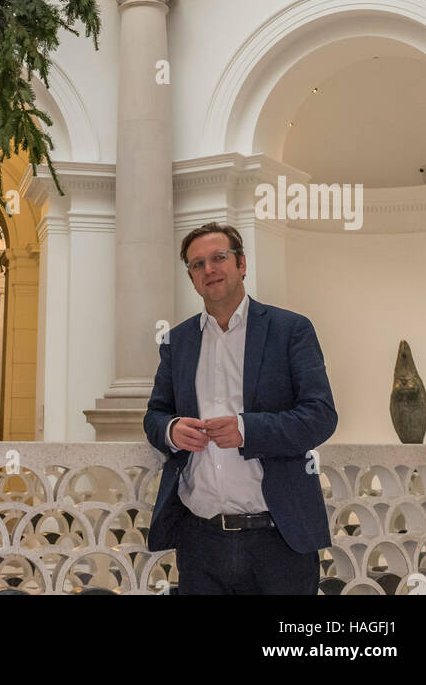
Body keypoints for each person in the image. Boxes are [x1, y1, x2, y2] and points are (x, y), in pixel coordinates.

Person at [144, 223, 337, 595]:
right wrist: (171, 430)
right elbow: (155, 414)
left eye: (219, 258)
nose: (209, 269)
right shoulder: (177, 341)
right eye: (197, 264)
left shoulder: (290, 329)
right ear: (191, 277)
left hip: (279, 538)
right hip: (199, 541)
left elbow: (321, 416)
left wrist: (247, 431)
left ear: (242, 263)